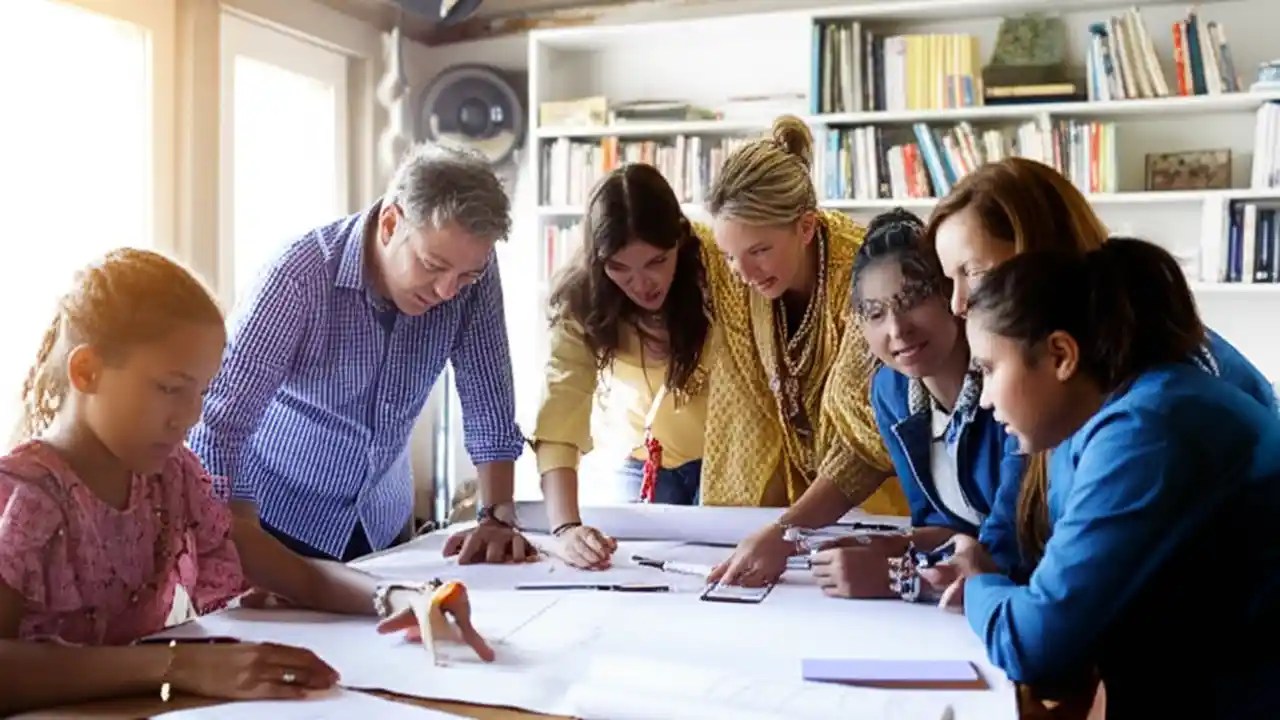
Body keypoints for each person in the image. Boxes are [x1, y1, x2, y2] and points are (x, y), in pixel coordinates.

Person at [0, 249, 492, 716]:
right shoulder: (25, 498)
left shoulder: (171, 480)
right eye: (171, 389)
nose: (190, 417)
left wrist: (402, 595)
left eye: (202, 392)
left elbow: (299, 575)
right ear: (86, 371)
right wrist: (178, 665)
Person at [928, 239, 1280, 719]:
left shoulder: (1145, 430)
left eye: (988, 370)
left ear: (1060, 355)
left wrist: (976, 586)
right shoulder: (1114, 418)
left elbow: (1036, 643)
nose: (985, 399)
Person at [188, 143, 533, 568]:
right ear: (390, 224)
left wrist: (495, 517)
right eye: (432, 265)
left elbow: (489, 397)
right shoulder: (298, 277)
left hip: (382, 522)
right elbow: (219, 423)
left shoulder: (469, 268)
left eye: (466, 276)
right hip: (275, 519)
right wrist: (235, 546)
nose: (448, 291)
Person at [926, 156, 1277, 570]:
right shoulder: (1052, 377)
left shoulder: (1158, 382)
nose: (958, 304)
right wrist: (972, 567)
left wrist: (986, 582)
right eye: (949, 280)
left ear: (1037, 255)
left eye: (973, 271)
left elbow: (1071, 597)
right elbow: (1011, 530)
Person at [699, 115, 910, 588]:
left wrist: (787, 532)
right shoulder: (741, 280)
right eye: (730, 256)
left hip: (884, 502)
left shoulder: (865, 274)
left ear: (806, 226)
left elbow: (866, 441)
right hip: (802, 507)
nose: (743, 273)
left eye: (759, 251)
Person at [810, 208, 1023, 599]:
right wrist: (889, 545)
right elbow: (940, 525)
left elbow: (1011, 547)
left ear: (951, 295)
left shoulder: (1008, 383)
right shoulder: (891, 393)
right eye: (875, 313)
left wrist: (897, 579)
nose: (897, 329)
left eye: (912, 300)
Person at [532, 164, 714, 569]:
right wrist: (565, 528)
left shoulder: (718, 268)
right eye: (619, 267)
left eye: (656, 261)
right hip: (642, 460)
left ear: (680, 240)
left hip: (727, 457)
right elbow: (561, 407)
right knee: (630, 565)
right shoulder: (582, 297)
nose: (642, 284)